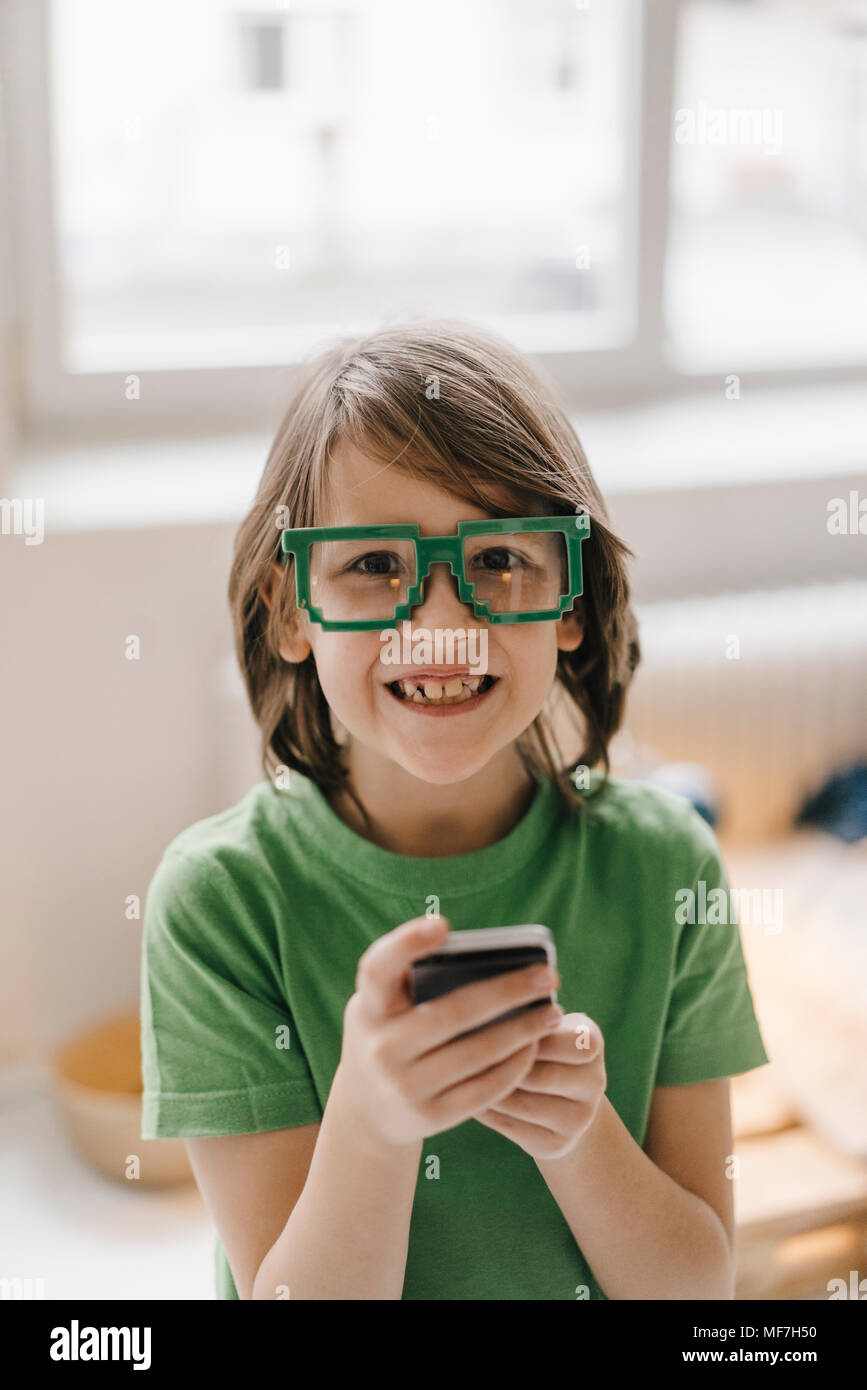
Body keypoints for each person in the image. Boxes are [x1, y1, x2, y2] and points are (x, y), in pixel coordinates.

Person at [140, 319, 769, 1300]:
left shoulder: (669, 867)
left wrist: (579, 1135)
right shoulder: (218, 901)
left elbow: (698, 1294)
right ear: (291, 609)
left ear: (570, 595)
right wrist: (372, 1123)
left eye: (501, 559)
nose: (440, 627)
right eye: (375, 565)